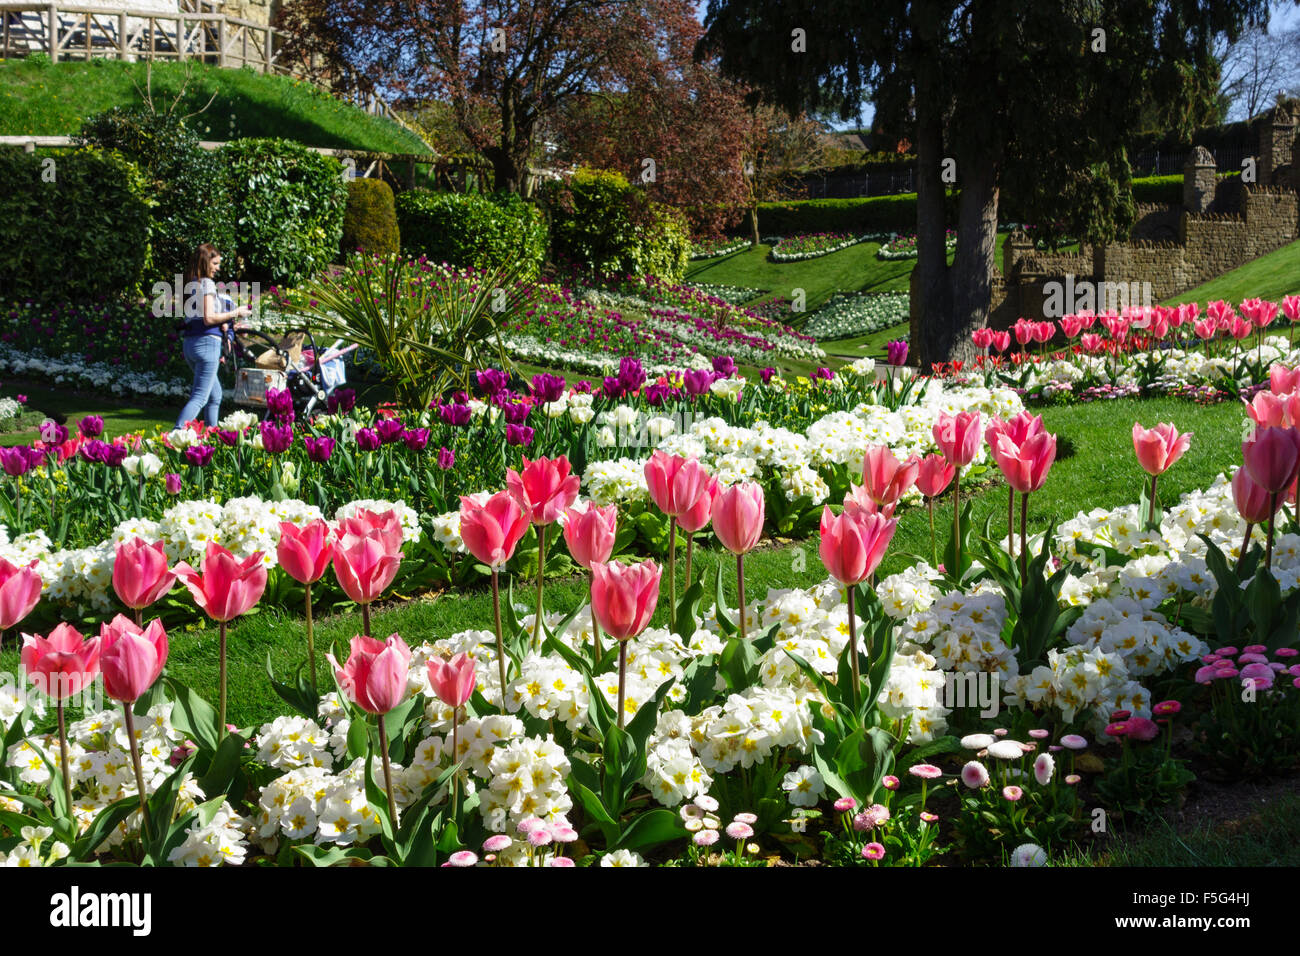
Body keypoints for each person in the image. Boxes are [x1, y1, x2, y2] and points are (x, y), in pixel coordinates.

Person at [175, 243, 252, 428]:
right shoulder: (207, 283)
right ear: (205, 262)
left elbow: (200, 317)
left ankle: (212, 438)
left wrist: (224, 321)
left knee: (214, 395)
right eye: (215, 263)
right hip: (207, 344)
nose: (218, 268)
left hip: (190, 344)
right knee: (200, 398)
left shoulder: (191, 283)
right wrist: (236, 313)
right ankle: (174, 435)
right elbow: (209, 319)